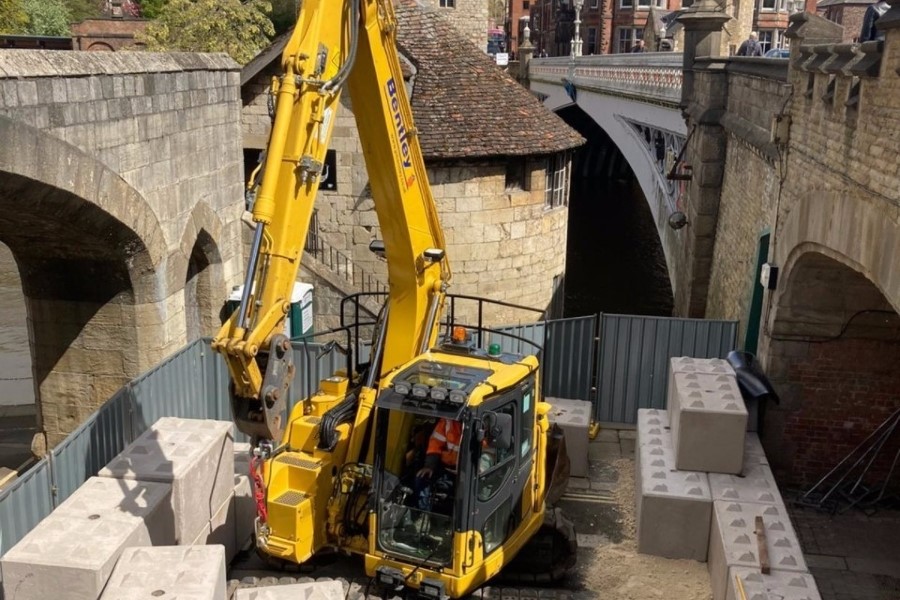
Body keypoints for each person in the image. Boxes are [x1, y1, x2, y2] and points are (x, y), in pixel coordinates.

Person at [413, 418, 461, 513]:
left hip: (466, 472)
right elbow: (435, 444)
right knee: (421, 479)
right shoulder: (447, 422)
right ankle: (422, 513)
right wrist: (429, 466)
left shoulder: (480, 424)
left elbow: (485, 452)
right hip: (444, 467)